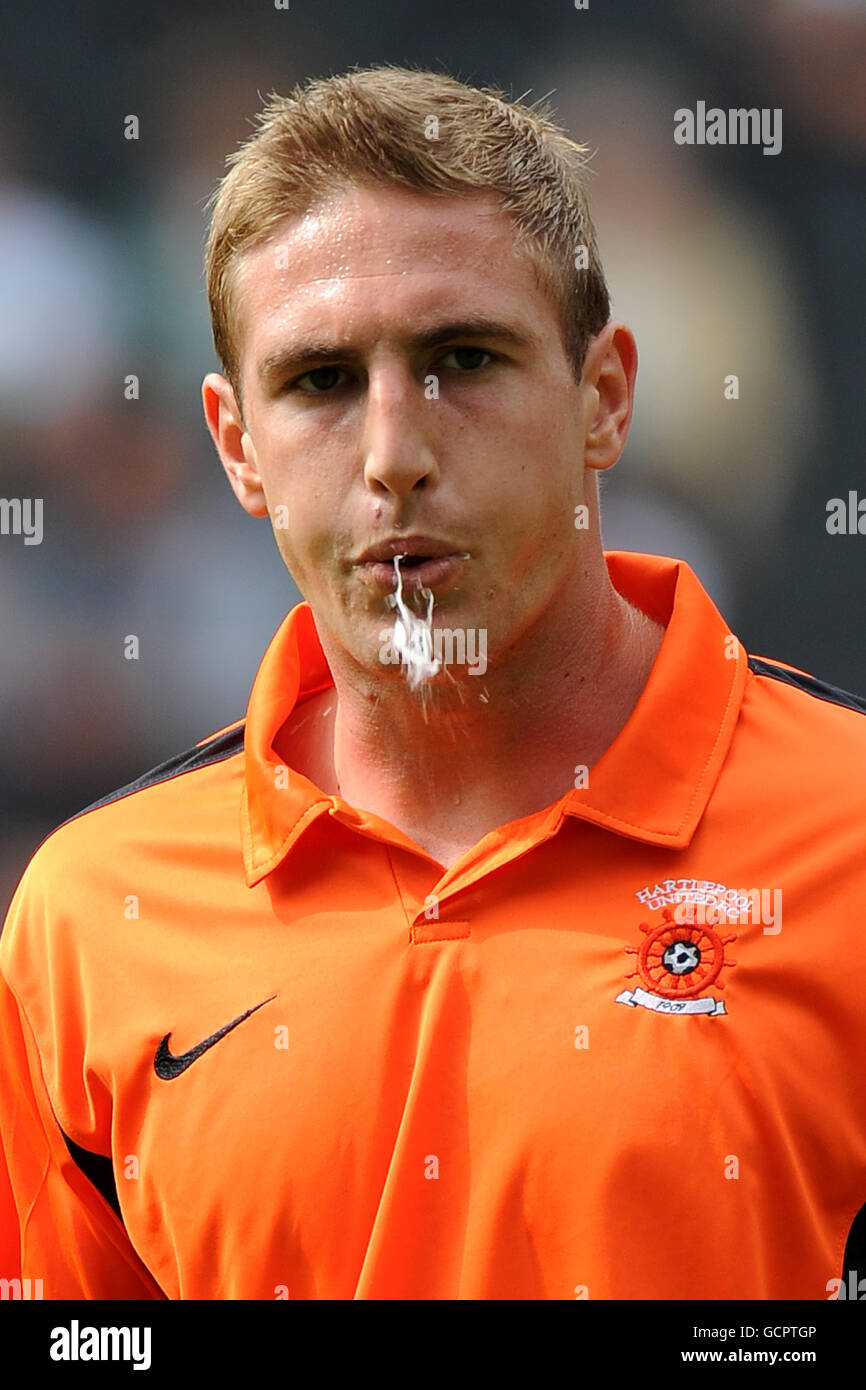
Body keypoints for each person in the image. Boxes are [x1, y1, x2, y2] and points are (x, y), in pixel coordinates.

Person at [2, 65, 865, 1302]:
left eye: (463, 359)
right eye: (319, 382)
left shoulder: (849, 839)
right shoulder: (91, 917)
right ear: (236, 446)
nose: (394, 454)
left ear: (603, 398)